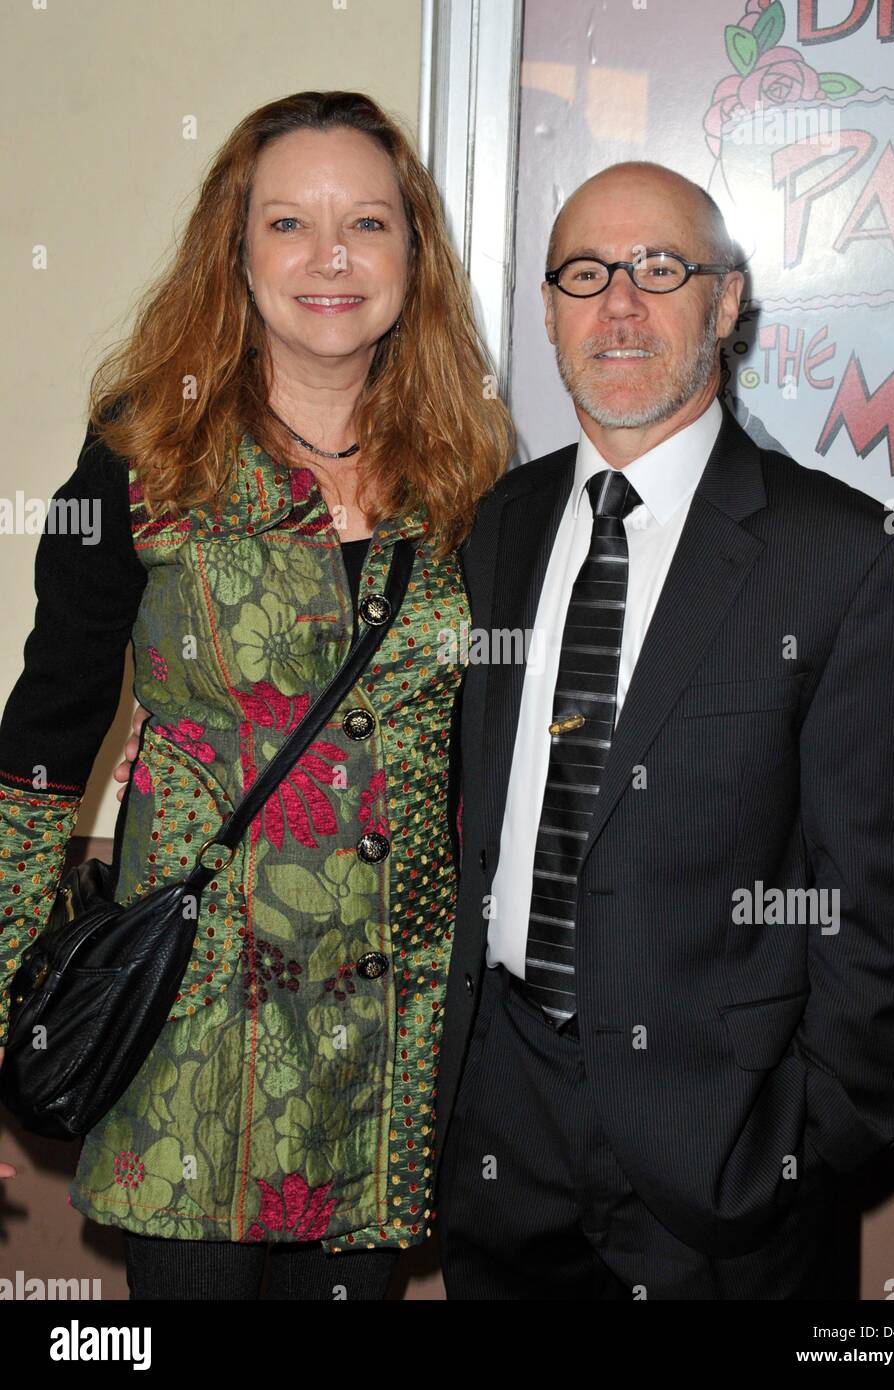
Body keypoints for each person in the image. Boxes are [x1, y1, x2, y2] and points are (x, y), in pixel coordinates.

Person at [0, 89, 512, 1300]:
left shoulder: (476, 477)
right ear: (235, 254)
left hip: (392, 1035)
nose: (331, 258)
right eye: (289, 223)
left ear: (414, 255)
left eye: (369, 225)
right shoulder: (141, 455)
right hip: (192, 1029)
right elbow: (38, 750)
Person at [429, 162, 894, 1298]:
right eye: (585, 274)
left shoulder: (851, 560)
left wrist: (809, 1138)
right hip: (501, 1127)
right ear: (550, 312)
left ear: (725, 304)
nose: (618, 304)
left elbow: (889, 908)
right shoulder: (491, 534)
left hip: (726, 1158)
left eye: (659, 270)